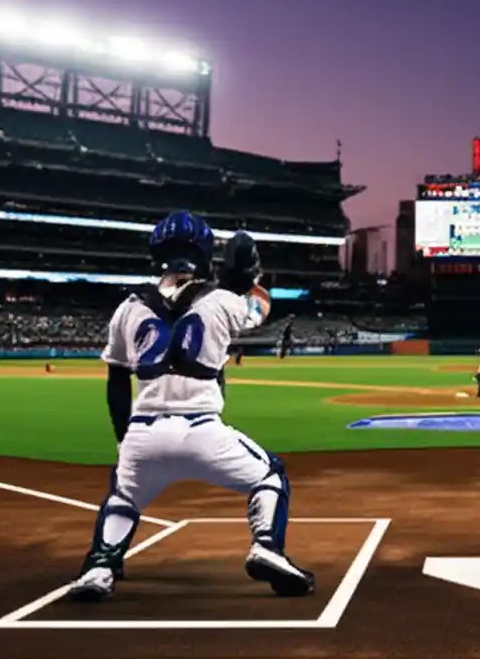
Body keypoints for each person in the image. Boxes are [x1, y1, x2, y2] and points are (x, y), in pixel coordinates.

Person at [64, 210, 314, 602]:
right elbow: (260, 309)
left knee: (124, 496)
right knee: (271, 475)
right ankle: (267, 546)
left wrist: (124, 440)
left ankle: (100, 566)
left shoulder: (128, 307)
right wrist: (251, 280)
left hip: (143, 432)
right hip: (202, 430)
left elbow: (116, 383)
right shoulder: (222, 301)